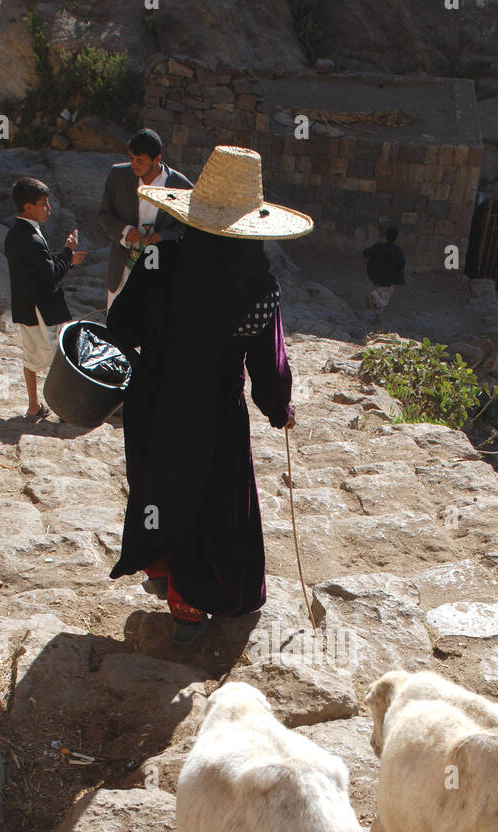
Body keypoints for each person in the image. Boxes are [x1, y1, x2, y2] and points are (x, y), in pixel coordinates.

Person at [107, 145, 313, 644]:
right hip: (215, 410)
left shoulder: (160, 258)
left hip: (155, 399)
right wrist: (278, 407)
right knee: (211, 499)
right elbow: (269, 361)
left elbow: (120, 324)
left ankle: (161, 569)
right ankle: (194, 594)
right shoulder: (260, 286)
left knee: (159, 483)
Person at [4, 178, 86, 419]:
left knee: (31, 354)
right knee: (56, 356)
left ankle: (34, 404)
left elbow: (41, 264)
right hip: (39, 308)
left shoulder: (17, 233)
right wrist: (69, 254)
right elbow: (50, 274)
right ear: (28, 207)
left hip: (25, 306)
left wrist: (66, 256)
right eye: (43, 203)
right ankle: (62, 406)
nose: (48, 208)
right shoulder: (30, 237)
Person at [98, 128, 193, 313]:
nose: (134, 165)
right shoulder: (118, 175)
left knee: (148, 317)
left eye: (140, 160)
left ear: (157, 159)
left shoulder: (181, 186)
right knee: (118, 319)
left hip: (157, 261)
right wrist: (125, 231)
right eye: (131, 158)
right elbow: (104, 214)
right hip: (123, 261)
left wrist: (164, 236)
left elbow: (187, 225)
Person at [362, 226, 405, 325]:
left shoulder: (378, 246)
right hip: (388, 279)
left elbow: (365, 252)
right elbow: (402, 264)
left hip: (375, 276)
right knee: (384, 298)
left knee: (381, 297)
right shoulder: (397, 251)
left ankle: (376, 318)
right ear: (396, 237)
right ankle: (372, 298)